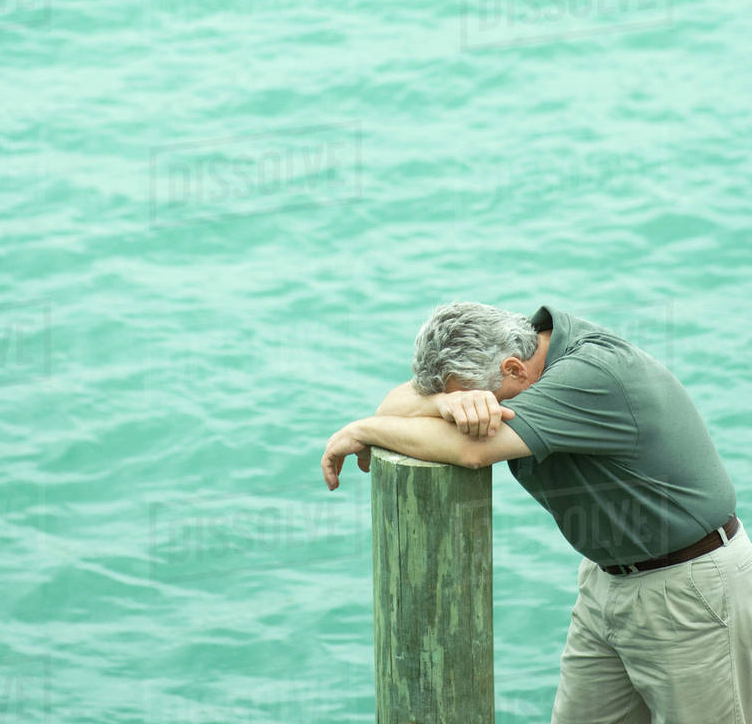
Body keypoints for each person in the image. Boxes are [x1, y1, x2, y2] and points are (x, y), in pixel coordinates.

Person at [321, 301, 752, 723]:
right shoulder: (521, 349)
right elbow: (395, 404)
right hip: (605, 579)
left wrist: (362, 430)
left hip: (689, 586)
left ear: (513, 370)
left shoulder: (589, 374)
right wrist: (443, 404)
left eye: (482, 402)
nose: (471, 416)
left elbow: (471, 451)